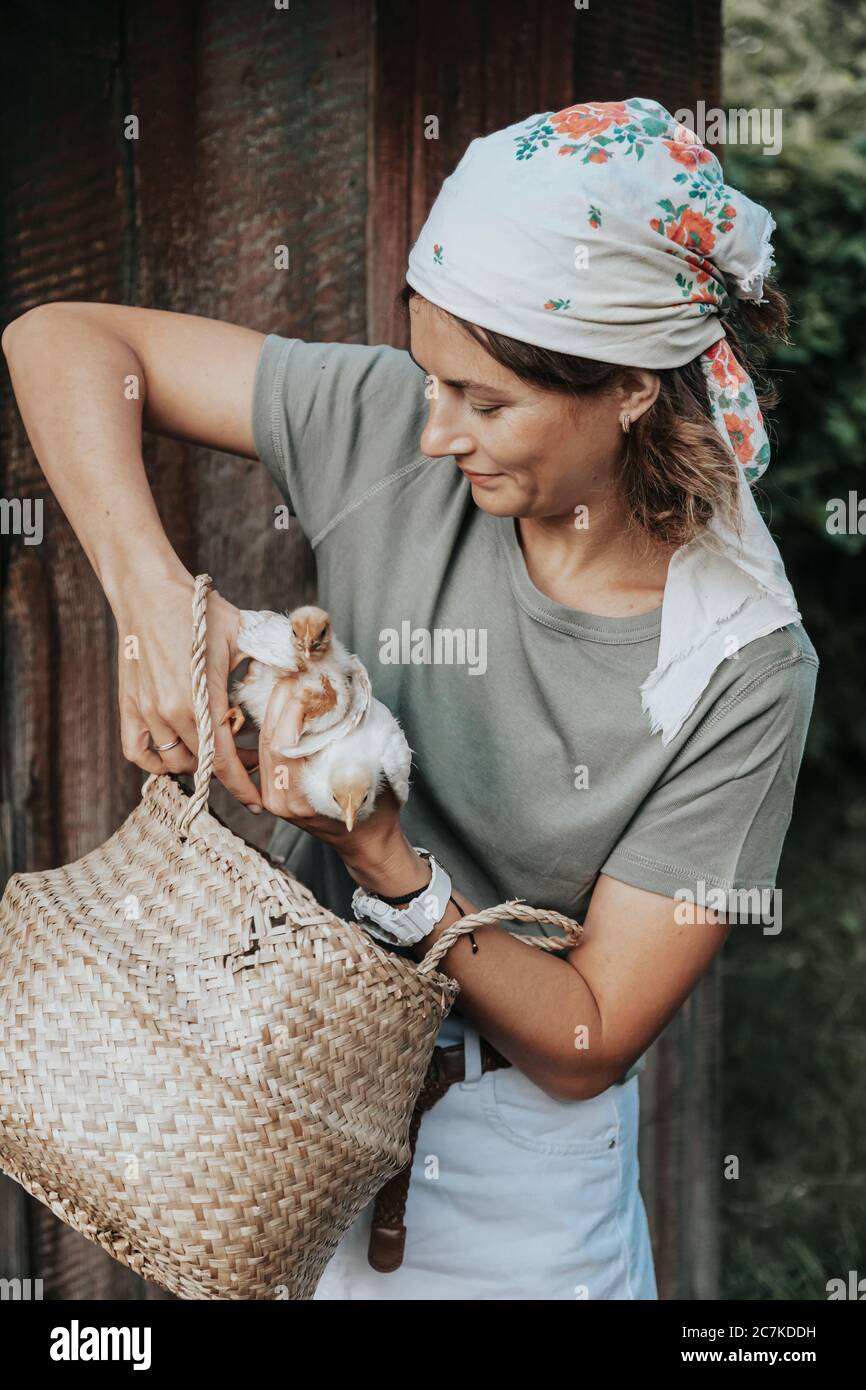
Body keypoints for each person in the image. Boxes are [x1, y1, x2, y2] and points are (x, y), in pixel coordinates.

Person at [2, 97, 818, 1301]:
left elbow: (589, 1034)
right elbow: (58, 340)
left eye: (485, 402)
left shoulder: (743, 664)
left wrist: (387, 859)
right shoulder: (399, 418)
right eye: (432, 378)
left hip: (512, 1182)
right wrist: (152, 601)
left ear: (633, 388)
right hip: (274, 1111)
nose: (433, 434)